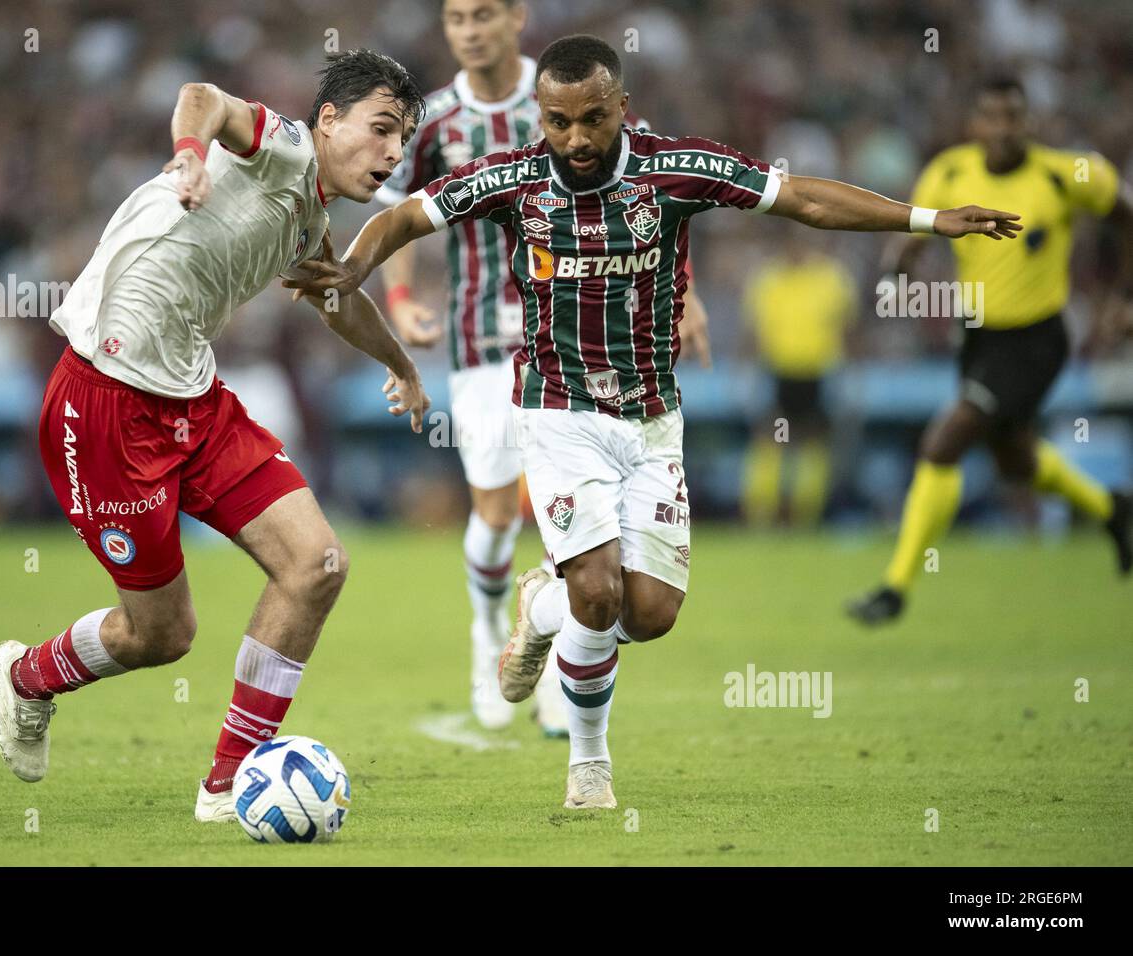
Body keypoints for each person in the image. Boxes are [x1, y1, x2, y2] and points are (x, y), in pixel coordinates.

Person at [285, 35, 1020, 810]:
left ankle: (540, 606)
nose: (574, 139)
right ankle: (589, 765)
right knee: (598, 597)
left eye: (593, 119)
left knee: (651, 615)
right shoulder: (513, 180)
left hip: (650, 421)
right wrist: (356, 269)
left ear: (622, 108)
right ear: (540, 113)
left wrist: (931, 221)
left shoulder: (677, 169)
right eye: (559, 121)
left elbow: (801, 198)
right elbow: (404, 215)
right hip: (556, 410)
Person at [0, 51, 431, 826]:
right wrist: (191, 158)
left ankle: (227, 784)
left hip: (193, 399)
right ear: (330, 121)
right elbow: (201, 96)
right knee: (162, 635)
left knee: (317, 563)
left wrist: (403, 366)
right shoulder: (284, 146)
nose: (393, 153)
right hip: (106, 402)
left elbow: (337, 297)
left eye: (404, 140)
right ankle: (27, 676)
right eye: (381, 129)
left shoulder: (307, 218)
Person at [374, 0, 708, 735]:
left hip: (580, 342)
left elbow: (659, 197)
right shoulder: (432, 121)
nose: (469, 29)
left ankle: (559, 644)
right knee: (495, 512)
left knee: (563, 528)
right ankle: (490, 636)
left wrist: (688, 299)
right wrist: (398, 300)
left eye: (484, 13)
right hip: (479, 338)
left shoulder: (569, 93)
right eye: (456, 17)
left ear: (516, 18)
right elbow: (397, 210)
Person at [849, 76, 1133, 625]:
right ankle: (1113, 509)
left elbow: (1125, 216)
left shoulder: (1067, 172)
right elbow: (912, 233)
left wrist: (1124, 296)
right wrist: (894, 272)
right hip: (978, 337)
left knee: (943, 442)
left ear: (1029, 120)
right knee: (1015, 459)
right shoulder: (951, 172)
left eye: (1014, 116)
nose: (1004, 129)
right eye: (993, 117)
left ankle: (895, 587)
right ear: (974, 123)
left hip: (1037, 339)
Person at [741, 233, 857, 527]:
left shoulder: (831, 277)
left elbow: (848, 328)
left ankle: (805, 514)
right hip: (778, 372)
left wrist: (852, 374)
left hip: (818, 372)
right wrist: (747, 374)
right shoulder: (768, 279)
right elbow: (754, 332)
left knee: (812, 442)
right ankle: (762, 513)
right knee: (771, 439)